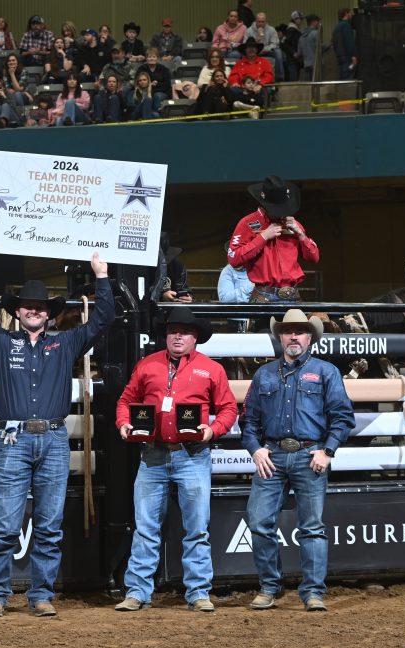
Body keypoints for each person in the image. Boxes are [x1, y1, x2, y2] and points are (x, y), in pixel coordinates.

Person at [0, 243, 115, 618]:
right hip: (14, 438)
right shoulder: (0, 341)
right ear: (17, 311)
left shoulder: (66, 342)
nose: (34, 310)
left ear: (49, 313)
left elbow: (103, 318)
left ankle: (41, 594)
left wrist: (102, 277)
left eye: (41, 306)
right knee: (5, 524)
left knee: (49, 524)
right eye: (28, 305)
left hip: (53, 439)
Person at [114, 308, 237, 613]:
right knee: (145, 527)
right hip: (153, 453)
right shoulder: (147, 365)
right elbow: (126, 400)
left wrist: (213, 430)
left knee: (196, 527)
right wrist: (124, 423)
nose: (177, 336)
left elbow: (228, 409)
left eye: (184, 331)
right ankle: (138, 592)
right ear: (166, 335)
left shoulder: (211, 369)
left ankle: (198, 592)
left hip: (192, 454)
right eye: (172, 331)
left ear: (196, 337)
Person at [241, 309, 355, 612]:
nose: (294, 336)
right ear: (280, 336)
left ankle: (313, 592)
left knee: (312, 527)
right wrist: (255, 449)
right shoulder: (264, 374)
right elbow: (249, 420)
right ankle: (270, 586)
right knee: (259, 522)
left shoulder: (326, 372)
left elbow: (343, 416)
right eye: (288, 331)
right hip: (272, 455)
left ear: (309, 337)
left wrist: (327, 451)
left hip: (310, 455)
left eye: (300, 331)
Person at [228, 176, 319, 303]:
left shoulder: (295, 225)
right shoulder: (247, 223)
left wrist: (301, 235)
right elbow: (234, 258)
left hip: (292, 295)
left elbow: (314, 257)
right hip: (263, 296)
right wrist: (263, 237)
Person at [245, 13, 285, 81]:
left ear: (265, 22)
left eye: (262, 22)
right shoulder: (249, 30)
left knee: (278, 51)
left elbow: (275, 43)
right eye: (259, 21)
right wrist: (256, 40)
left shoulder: (271, 29)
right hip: (254, 51)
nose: (261, 24)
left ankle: (279, 77)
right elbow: (245, 44)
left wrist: (265, 49)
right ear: (256, 21)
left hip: (267, 51)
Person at [332, 8, 357, 79]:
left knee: (343, 77)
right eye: (350, 13)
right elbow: (349, 41)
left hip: (339, 57)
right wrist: (353, 56)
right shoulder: (346, 25)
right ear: (346, 14)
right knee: (348, 77)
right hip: (347, 57)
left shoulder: (336, 27)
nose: (351, 15)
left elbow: (334, 42)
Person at [299, 15, 323, 81]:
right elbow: (319, 47)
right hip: (316, 64)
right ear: (313, 22)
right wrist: (329, 45)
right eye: (317, 21)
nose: (318, 23)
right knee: (318, 84)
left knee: (309, 85)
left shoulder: (301, 36)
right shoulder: (315, 33)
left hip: (306, 64)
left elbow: (299, 52)